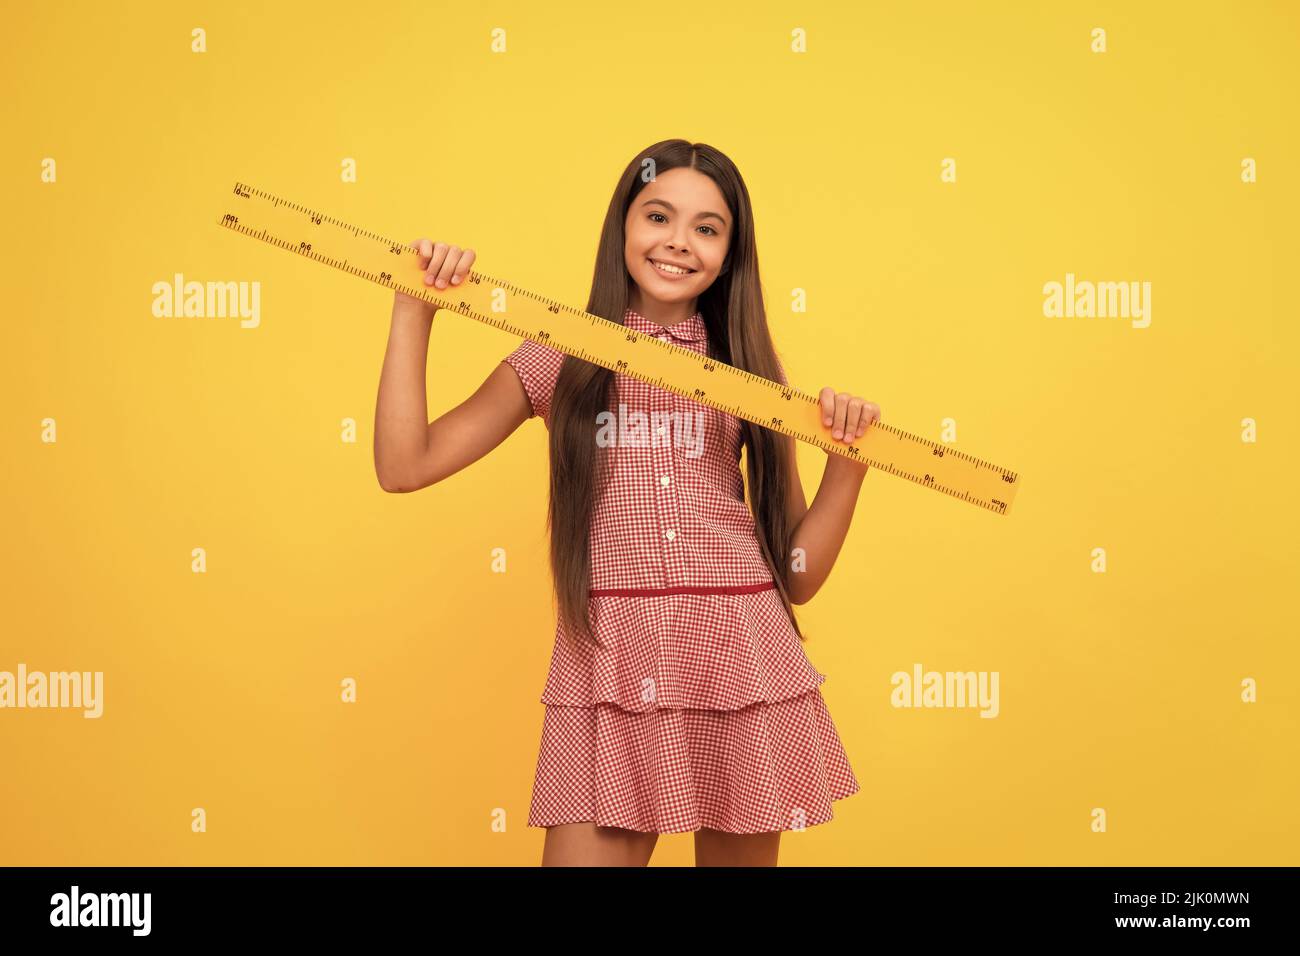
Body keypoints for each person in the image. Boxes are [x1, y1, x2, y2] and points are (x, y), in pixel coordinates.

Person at [374, 139, 880, 866]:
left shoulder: (748, 373)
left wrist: (847, 470)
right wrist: (413, 311)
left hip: (739, 653)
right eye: (658, 217)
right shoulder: (559, 353)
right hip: (609, 661)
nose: (679, 242)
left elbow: (796, 574)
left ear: (731, 255)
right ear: (622, 228)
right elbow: (404, 464)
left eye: (708, 229)